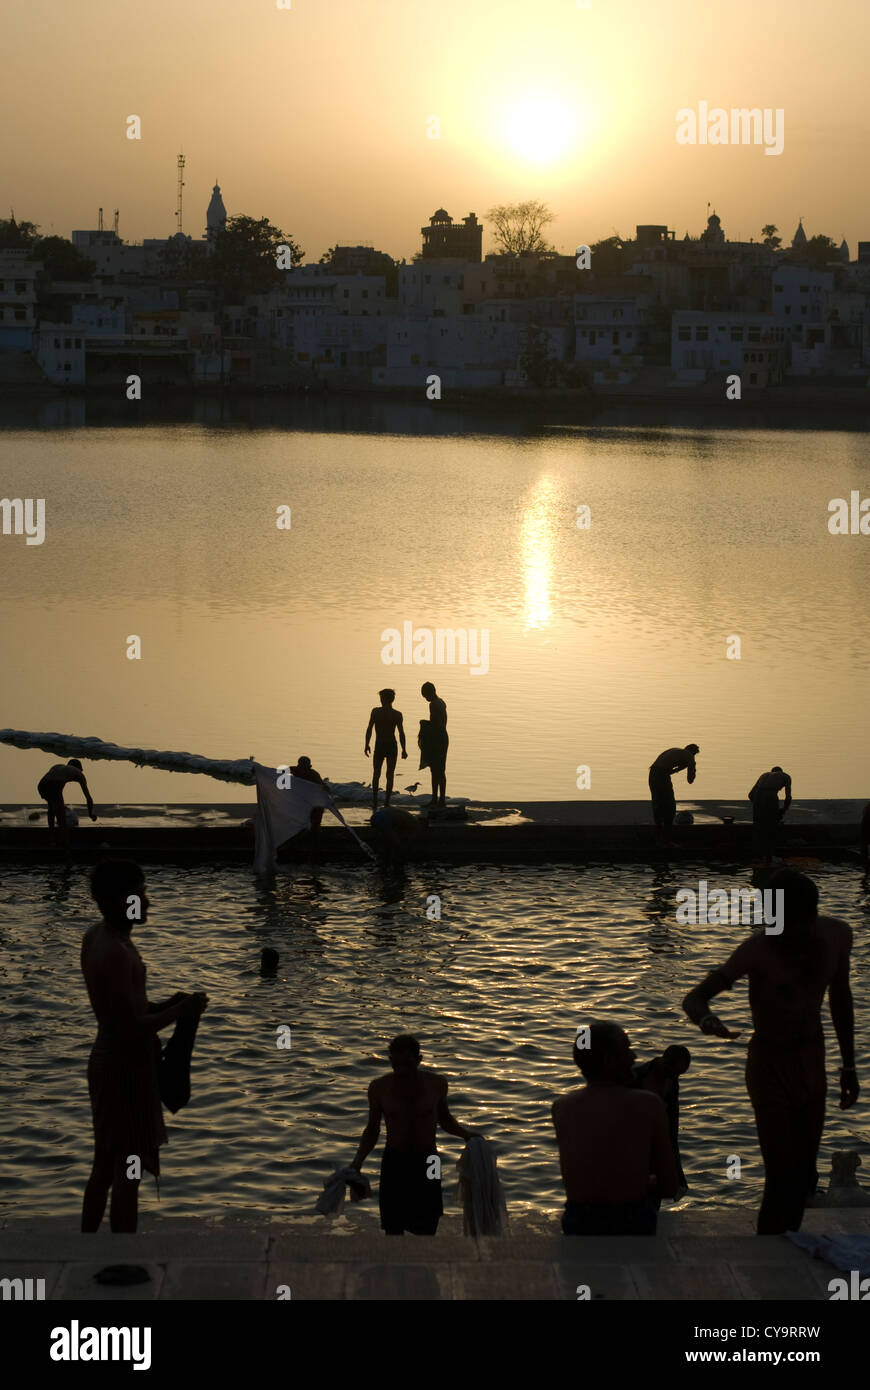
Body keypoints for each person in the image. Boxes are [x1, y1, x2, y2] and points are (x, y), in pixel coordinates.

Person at [681, 869, 858, 1235]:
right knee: (780, 1173)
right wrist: (707, 1019)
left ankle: (789, 1241)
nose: (771, 923)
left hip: (812, 1058)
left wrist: (849, 1066)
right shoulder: (758, 949)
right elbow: (695, 997)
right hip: (768, 1062)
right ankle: (769, 1244)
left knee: (805, 1173)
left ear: (807, 914)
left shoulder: (837, 936)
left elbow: (841, 998)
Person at [80, 860, 208, 1233]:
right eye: (140, 893)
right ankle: (121, 1256)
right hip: (124, 1068)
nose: (147, 902)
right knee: (128, 1167)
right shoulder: (116, 952)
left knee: (104, 1162)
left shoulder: (99, 936)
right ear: (120, 900)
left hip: (112, 1060)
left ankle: (85, 1246)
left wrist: (170, 1005)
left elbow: (128, 1010)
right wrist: (181, 1010)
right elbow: (130, 1027)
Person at [552, 1021, 680, 1235]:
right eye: (627, 1050)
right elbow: (669, 1186)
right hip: (630, 1220)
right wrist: (642, 1180)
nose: (634, 1057)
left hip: (579, 1221)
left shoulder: (562, 1107)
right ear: (609, 1061)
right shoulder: (649, 1105)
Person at [351, 1034, 477, 1235]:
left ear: (419, 1060)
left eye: (407, 1063)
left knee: (429, 1221)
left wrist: (467, 1135)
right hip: (394, 1161)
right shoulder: (379, 1088)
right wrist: (357, 1163)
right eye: (396, 1063)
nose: (401, 1069)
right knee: (393, 1225)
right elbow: (372, 1129)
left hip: (430, 1161)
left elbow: (445, 1120)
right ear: (391, 1061)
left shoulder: (437, 1084)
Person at [631, 1045, 691, 1197]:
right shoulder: (636, 1077)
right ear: (664, 1062)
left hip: (656, 1143)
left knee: (654, 1195)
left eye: (679, 1075)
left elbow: (672, 1129)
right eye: (674, 1073)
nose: (675, 1078)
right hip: (633, 1143)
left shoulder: (671, 1082)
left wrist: (678, 1175)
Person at [37, 759, 97, 852]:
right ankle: (67, 852)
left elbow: (52, 779)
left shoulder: (58, 766)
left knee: (51, 809)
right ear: (79, 768)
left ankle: (52, 839)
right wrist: (90, 814)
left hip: (42, 784)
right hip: (54, 785)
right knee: (62, 821)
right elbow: (88, 798)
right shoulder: (79, 773)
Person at [365, 689, 407, 812]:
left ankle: (375, 801)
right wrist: (404, 749)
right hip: (392, 746)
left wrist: (367, 744)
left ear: (382, 699)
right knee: (390, 774)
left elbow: (369, 729)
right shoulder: (397, 714)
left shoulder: (376, 712)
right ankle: (387, 802)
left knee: (376, 773)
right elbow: (401, 734)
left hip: (380, 745)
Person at [648, 744, 699, 845]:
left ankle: (658, 837)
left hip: (652, 774)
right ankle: (666, 839)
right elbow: (690, 780)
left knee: (657, 804)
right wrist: (691, 765)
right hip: (661, 776)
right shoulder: (689, 756)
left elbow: (666, 768)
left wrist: (678, 769)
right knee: (670, 807)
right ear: (693, 753)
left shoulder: (676, 750)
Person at [748, 766, 792, 863]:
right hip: (770, 797)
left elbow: (750, 795)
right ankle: (769, 856)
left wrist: (759, 806)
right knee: (771, 827)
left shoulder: (764, 775)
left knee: (759, 827)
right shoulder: (786, 776)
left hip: (757, 798)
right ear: (781, 771)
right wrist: (783, 810)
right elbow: (788, 797)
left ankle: (758, 855)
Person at [419, 682, 449, 811]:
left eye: (426, 696)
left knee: (437, 770)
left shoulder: (434, 704)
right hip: (442, 736)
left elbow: (435, 724)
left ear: (430, 693)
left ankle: (436, 799)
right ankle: (438, 799)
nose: (426, 699)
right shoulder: (441, 702)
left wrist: (423, 723)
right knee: (438, 769)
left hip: (438, 738)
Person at [289, 755, 326, 853]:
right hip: (302, 803)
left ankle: (315, 847)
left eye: (304, 766)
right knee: (298, 823)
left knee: (315, 826)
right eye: (301, 766)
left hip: (315, 804)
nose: (302, 769)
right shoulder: (295, 770)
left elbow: (323, 788)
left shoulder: (313, 775)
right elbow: (275, 772)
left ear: (308, 766)